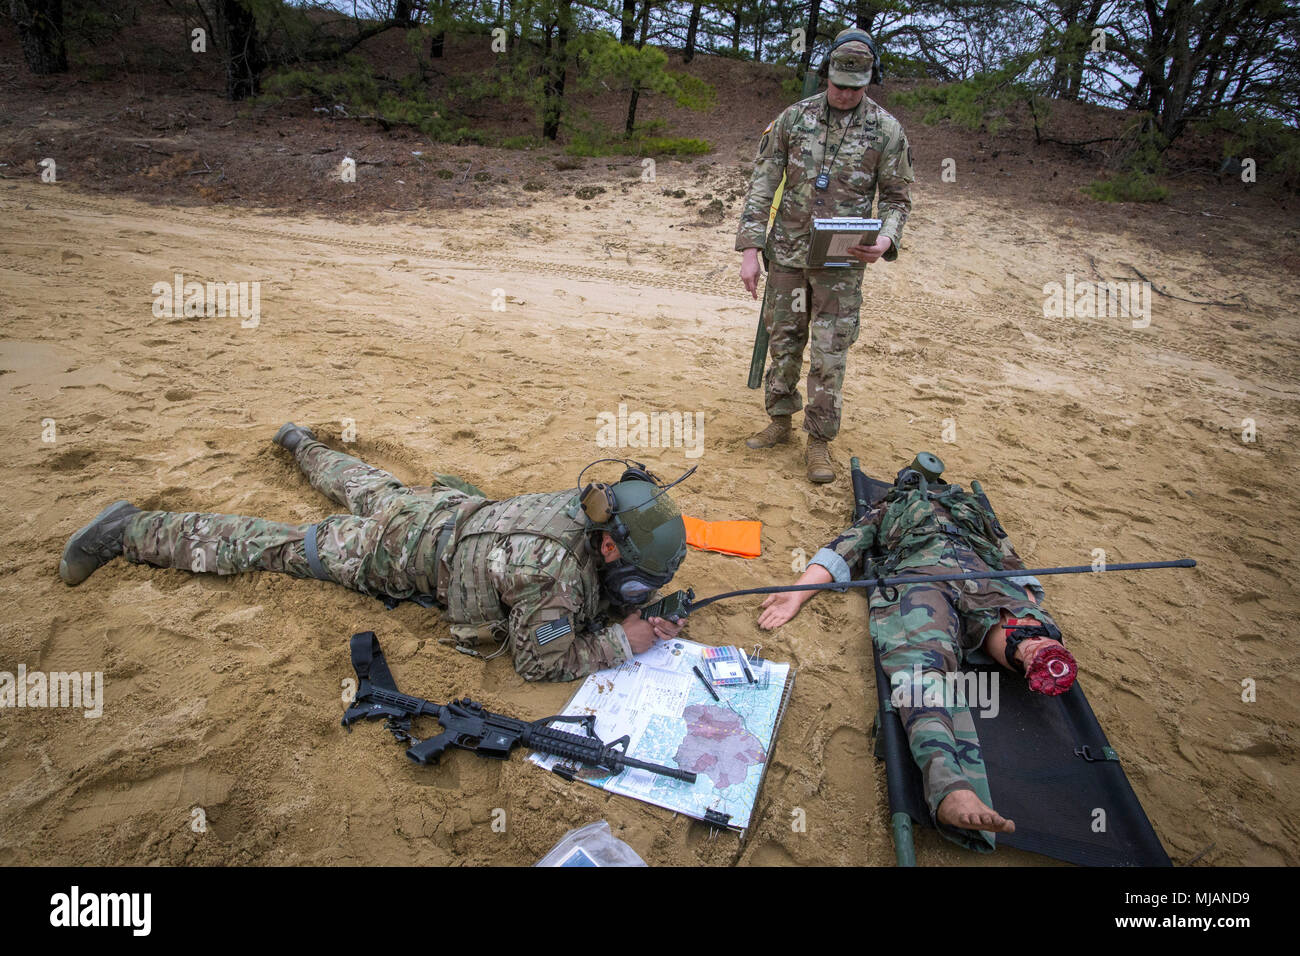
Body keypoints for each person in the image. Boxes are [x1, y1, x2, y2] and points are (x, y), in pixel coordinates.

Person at [57, 424, 688, 682]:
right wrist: (619, 641)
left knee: (363, 483)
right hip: (393, 554)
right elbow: (537, 662)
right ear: (608, 542)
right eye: (637, 573)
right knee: (270, 545)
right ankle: (127, 530)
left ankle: (299, 443)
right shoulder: (551, 573)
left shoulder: (591, 503)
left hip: (440, 510)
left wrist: (627, 604)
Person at [756, 454, 1078, 851]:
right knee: (919, 669)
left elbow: (1008, 557)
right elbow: (844, 549)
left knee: (1015, 623)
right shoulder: (888, 508)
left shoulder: (970, 507)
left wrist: (1031, 611)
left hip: (983, 576)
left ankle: (1031, 650)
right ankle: (949, 787)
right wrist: (797, 594)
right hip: (919, 579)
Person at [736, 28, 914, 484]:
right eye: (838, 84)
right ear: (826, 75)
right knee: (784, 340)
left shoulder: (887, 131)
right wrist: (751, 249)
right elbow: (762, 184)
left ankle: (818, 441)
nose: (845, 94)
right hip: (788, 256)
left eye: (856, 87)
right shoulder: (793, 120)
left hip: (842, 262)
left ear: (870, 80)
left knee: (830, 352)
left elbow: (897, 199)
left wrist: (887, 241)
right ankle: (780, 420)